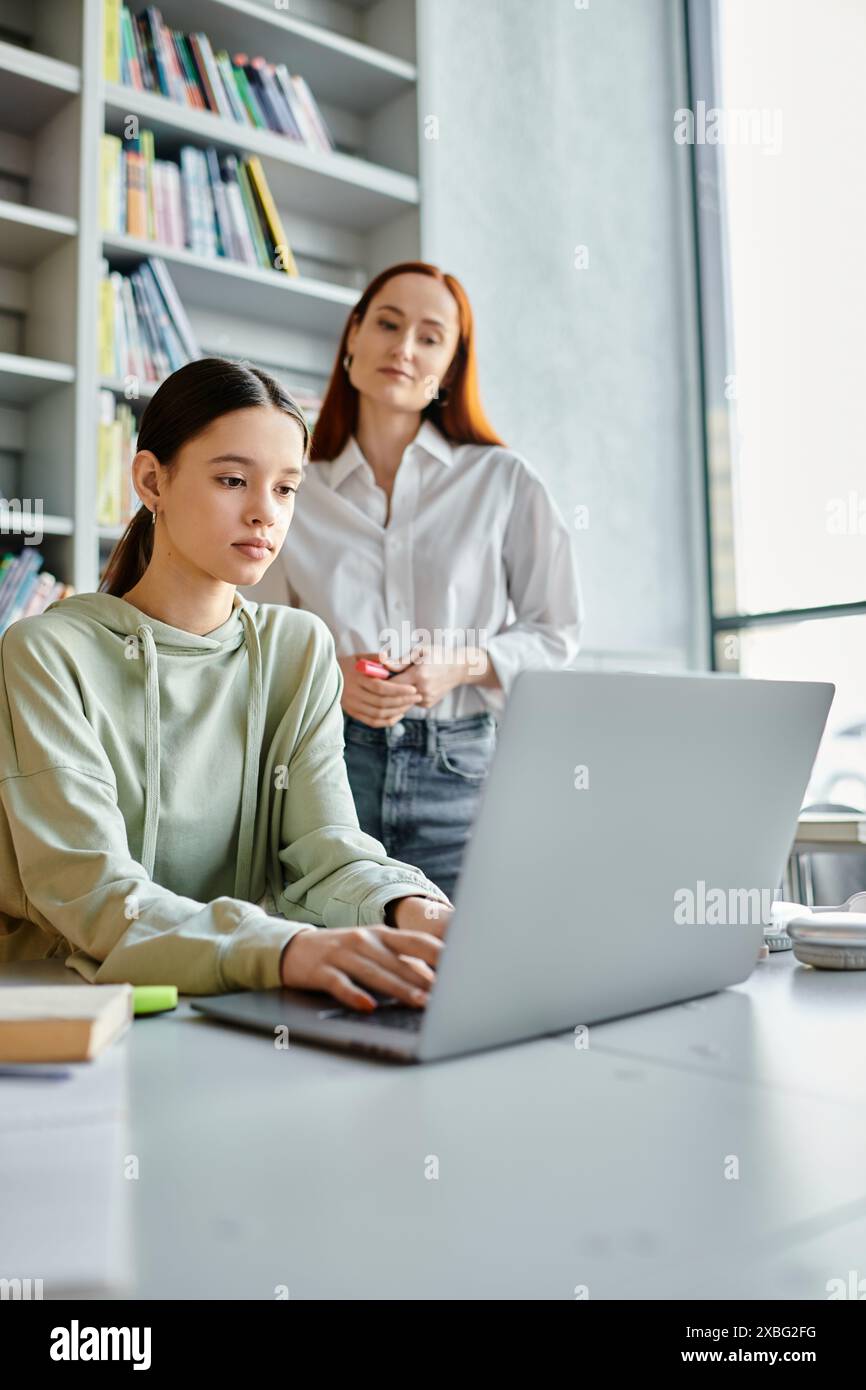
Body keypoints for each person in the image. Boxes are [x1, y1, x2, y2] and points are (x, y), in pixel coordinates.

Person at [0, 357, 454, 1012]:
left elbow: (326, 850)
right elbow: (92, 892)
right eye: (233, 479)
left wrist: (414, 908)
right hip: (66, 1014)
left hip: (227, 1003)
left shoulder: (299, 649)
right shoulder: (46, 654)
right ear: (152, 480)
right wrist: (288, 949)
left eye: (286, 489)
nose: (264, 513)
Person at [244, 261, 583, 902]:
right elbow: (258, 636)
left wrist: (460, 665)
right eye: (388, 324)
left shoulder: (503, 482)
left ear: (451, 366)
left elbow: (556, 631)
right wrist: (329, 675)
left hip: (463, 772)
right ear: (353, 337)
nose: (403, 348)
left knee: (464, 968)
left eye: (430, 337)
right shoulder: (296, 488)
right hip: (326, 765)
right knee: (333, 963)